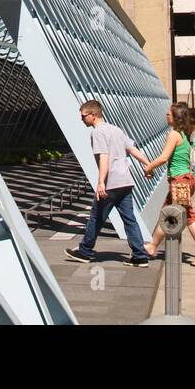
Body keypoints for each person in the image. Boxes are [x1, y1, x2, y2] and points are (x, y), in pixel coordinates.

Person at [65, 100, 153, 267]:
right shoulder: (116, 129)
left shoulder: (97, 133)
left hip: (111, 183)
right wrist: (148, 164)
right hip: (125, 181)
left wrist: (100, 182)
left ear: (93, 115)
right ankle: (140, 256)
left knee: (96, 217)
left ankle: (85, 251)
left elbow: (104, 157)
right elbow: (133, 149)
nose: (81, 119)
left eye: (83, 116)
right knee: (129, 219)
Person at [144, 103, 195, 267]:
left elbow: (163, 158)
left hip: (179, 183)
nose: (166, 115)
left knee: (181, 216)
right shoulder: (189, 136)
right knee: (176, 214)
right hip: (186, 181)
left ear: (176, 117)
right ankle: (152, 247)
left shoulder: (174, 134)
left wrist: (148, 167)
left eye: (168, 114)